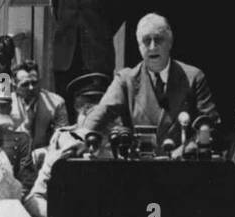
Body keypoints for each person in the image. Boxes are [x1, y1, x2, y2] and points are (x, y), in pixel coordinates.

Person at [81, 13, 217, 148]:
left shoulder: (193, 77)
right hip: (140, 166)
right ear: (139, 46)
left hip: (181, 164)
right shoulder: (125, 80)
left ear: (170, 42)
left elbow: (209, 126)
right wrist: (80, 138)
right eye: (146, 40)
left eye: (158, 39)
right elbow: (101, 113)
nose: (152, 47)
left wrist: (184, 150)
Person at [25, 72, 111, 217]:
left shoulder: (117, 142)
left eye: (99, 107)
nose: (93, 113)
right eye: (87, 107)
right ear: (79, 109)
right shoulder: (65, 140)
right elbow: (34, 197)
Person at [8, 61, 68, 150]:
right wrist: (27, 123)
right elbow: (4, 141)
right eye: (25, 84)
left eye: (34, 83)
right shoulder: (7, 104)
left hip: (45, 155)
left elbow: (63, 136)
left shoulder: (56, 102)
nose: (31, 88)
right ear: (14, 85)